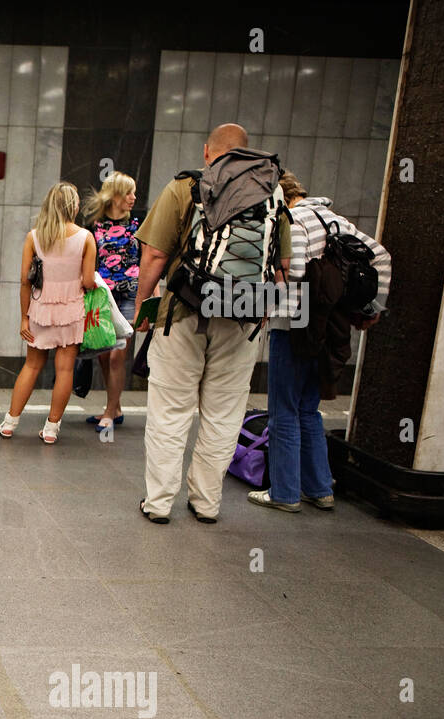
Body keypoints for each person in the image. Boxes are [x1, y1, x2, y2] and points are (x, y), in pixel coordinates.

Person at [133, 123, 290, 523]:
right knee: (223, 414)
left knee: (171, 410)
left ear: (208, 152)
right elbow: (282, 267)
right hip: (244, 318)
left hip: (184, 311)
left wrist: (143, 307)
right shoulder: (273, 192)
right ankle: (206, 504)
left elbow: (153, 256)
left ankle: (159, 503)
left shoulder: (186, 187)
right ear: (247, 152)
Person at [248, 171, 391, 513]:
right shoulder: (336, 221)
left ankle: (284, 493)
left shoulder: (291, 222)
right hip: (332, 326)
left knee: (283, 410)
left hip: (295, 324)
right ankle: (320, 488)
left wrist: (264, 306)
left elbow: (292, 272)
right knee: (308, 408)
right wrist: (374, 308)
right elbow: (382, 256)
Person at [0, 182, 97, 443]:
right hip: (72, 310)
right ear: (74, 206)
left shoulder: (34, 236)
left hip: (40, 309)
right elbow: (87, 282)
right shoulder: (86, 238)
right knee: (64, 370)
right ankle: (51, 430)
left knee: (31, 365)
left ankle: (9, 423)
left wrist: (24, 317)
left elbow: (24, 281)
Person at [83, 172, 140, 431]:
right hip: (104, 297)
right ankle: (114, 407)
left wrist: (150, 300)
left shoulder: (138, 226)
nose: (133, 198)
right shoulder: (94, 227)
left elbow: (149, 262)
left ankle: (110, 411)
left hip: (129, 297)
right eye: (128, 192)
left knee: (117, 356)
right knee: (104, 356)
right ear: (115, 194)